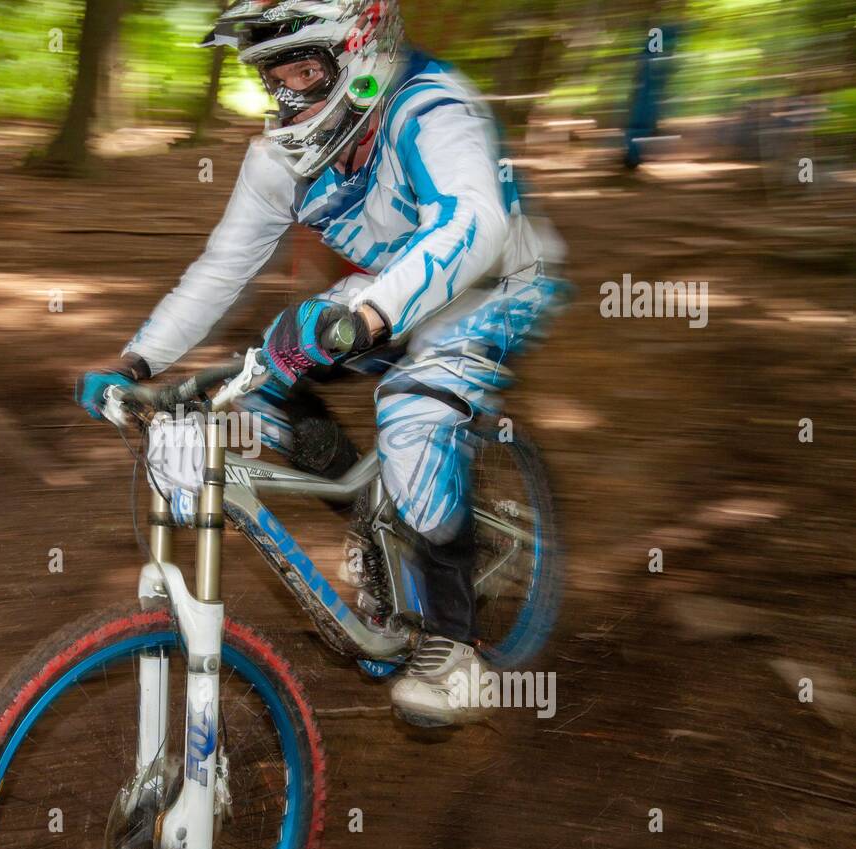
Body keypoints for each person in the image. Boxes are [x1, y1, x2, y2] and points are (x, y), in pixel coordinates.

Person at [76, 0, 564, 726]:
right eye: (276, 79)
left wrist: (365, 317)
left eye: (306, 70)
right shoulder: (280, 159)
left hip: (494, 281)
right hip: (398, 282)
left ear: (360, 57)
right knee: (262, 377)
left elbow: (475, 222)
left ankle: (454, 648)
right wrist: (137, 362)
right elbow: (222, 270)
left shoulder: (431, 107)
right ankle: (368, 508)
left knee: (416, 415)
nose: (289, 95)